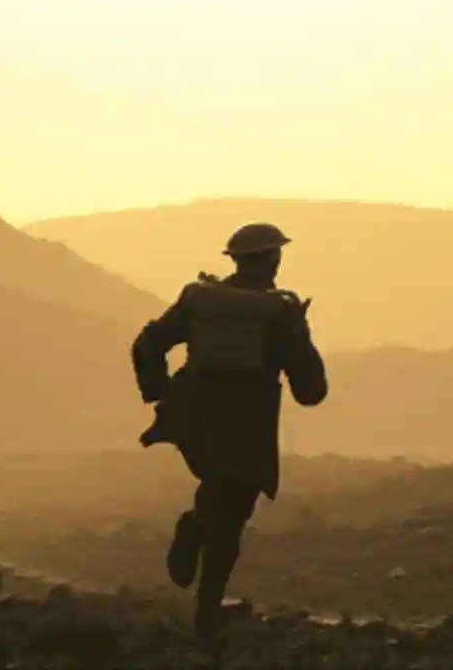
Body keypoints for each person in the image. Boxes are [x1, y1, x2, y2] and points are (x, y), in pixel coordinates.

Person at [130, 222, 328, 649]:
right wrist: (300, 340)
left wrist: (161, 393)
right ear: (274, 259)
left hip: (193, 416)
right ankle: (205, 606)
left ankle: (197, 540)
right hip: (247, 422)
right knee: (231, 514)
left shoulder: (201, 301)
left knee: (218, 495)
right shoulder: (281, 313)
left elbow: (148, 344)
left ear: (235, 260)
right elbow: (311, 391)